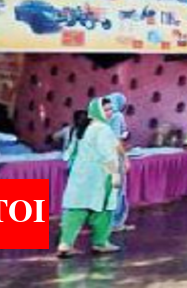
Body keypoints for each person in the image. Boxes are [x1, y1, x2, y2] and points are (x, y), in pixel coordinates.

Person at [57, 98, 123, 258]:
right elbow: (107, 155)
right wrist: (114, 174)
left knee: (76, 208)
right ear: (96, 111)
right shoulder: (102, 129)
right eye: (106, 109)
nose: (109, 113)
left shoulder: (82, 127)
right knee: (103, 209)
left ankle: (65, 243)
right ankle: (101, 242)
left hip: (80, 175)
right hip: (100, 176)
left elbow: (68, 154)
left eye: (111, 110)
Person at [106, 93, 131, 233]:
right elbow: (116, 140)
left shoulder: (102, 116)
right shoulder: (117, 116)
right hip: (114, 157)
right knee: (118, 190)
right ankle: (115, 223)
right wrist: (125, 158)